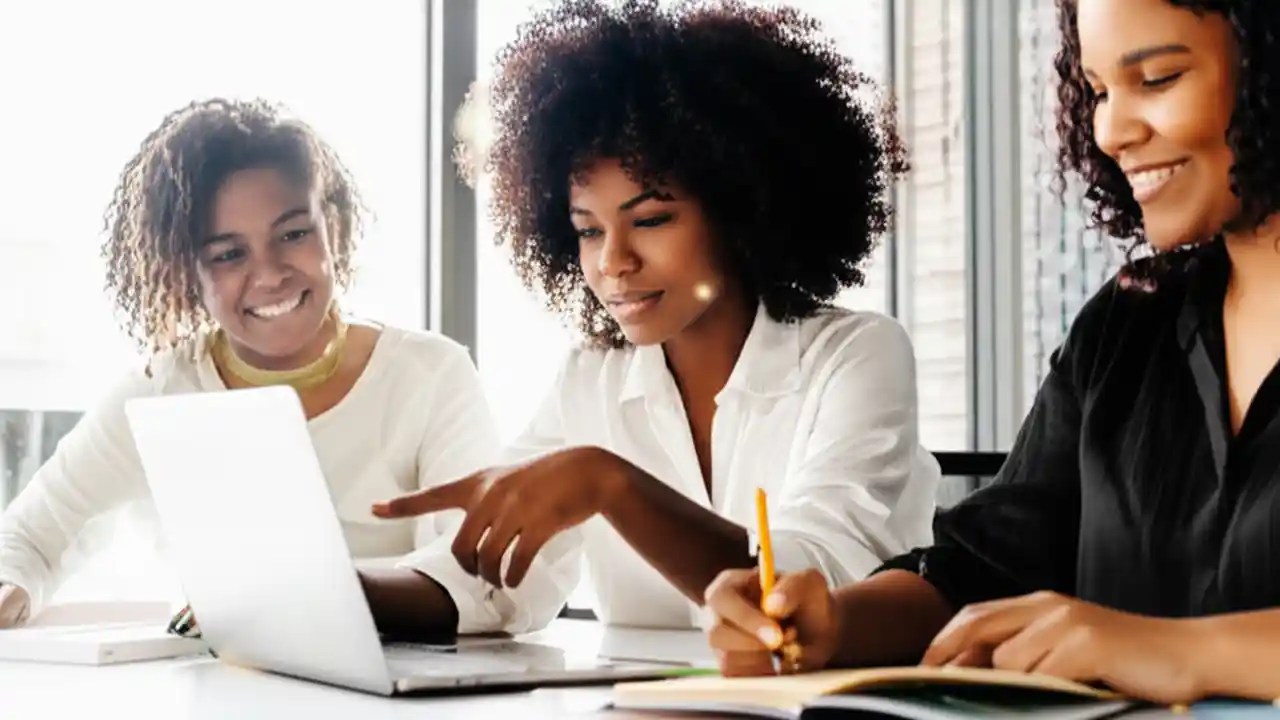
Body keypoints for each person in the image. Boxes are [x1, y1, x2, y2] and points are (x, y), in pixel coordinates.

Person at [701, 0, 1280, 704]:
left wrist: (1172, 651)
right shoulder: (1125, 329)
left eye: (1157, 79)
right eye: (1098, 91)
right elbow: (982, 570)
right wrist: (828, 621)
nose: (1111, 130)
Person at [373, 0, 940, 633]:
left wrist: (609, 484)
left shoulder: (857, 357)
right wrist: (323, 593)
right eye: (587, 231)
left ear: (741, 208)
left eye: (650, 221)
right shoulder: (592, 378)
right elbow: (487, 582)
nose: (613, 262)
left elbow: (803, 587)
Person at [0, 99, 498, 638]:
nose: (270, 275)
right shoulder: (162, 391)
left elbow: (485, 584)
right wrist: (13, 586)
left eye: (292, 235)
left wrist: (319, 597)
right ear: (186, 273)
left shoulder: (431, 374)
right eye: (228, 255)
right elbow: (28, 537)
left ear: (331, 226)